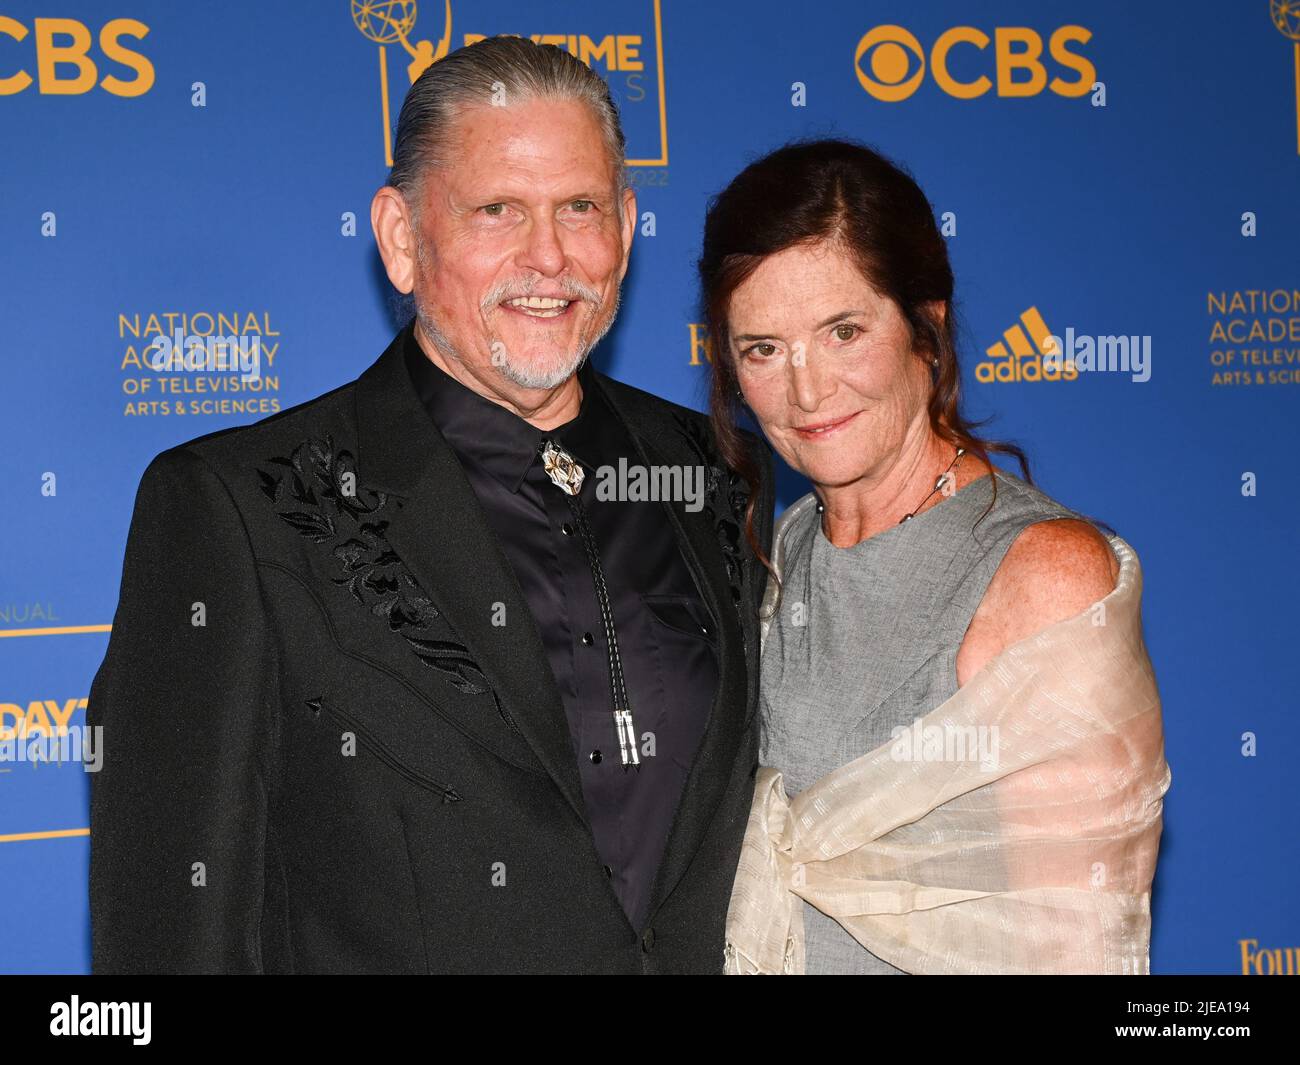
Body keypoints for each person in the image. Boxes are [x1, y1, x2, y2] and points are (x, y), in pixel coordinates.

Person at [86, 36, 774, 974]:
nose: (549, 257)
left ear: (625, 223)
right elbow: (170, 936)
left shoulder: (713, 468)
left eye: (579, 208)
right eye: (498, 210)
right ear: (403, 238)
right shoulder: (238, 508)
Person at [702, 139, 1171, 974]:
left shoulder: (1043, 576)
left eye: (844, 331)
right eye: (763, 349)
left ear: (928, 324)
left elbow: (1077, 952)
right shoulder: (776, 552)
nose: (807, 391)